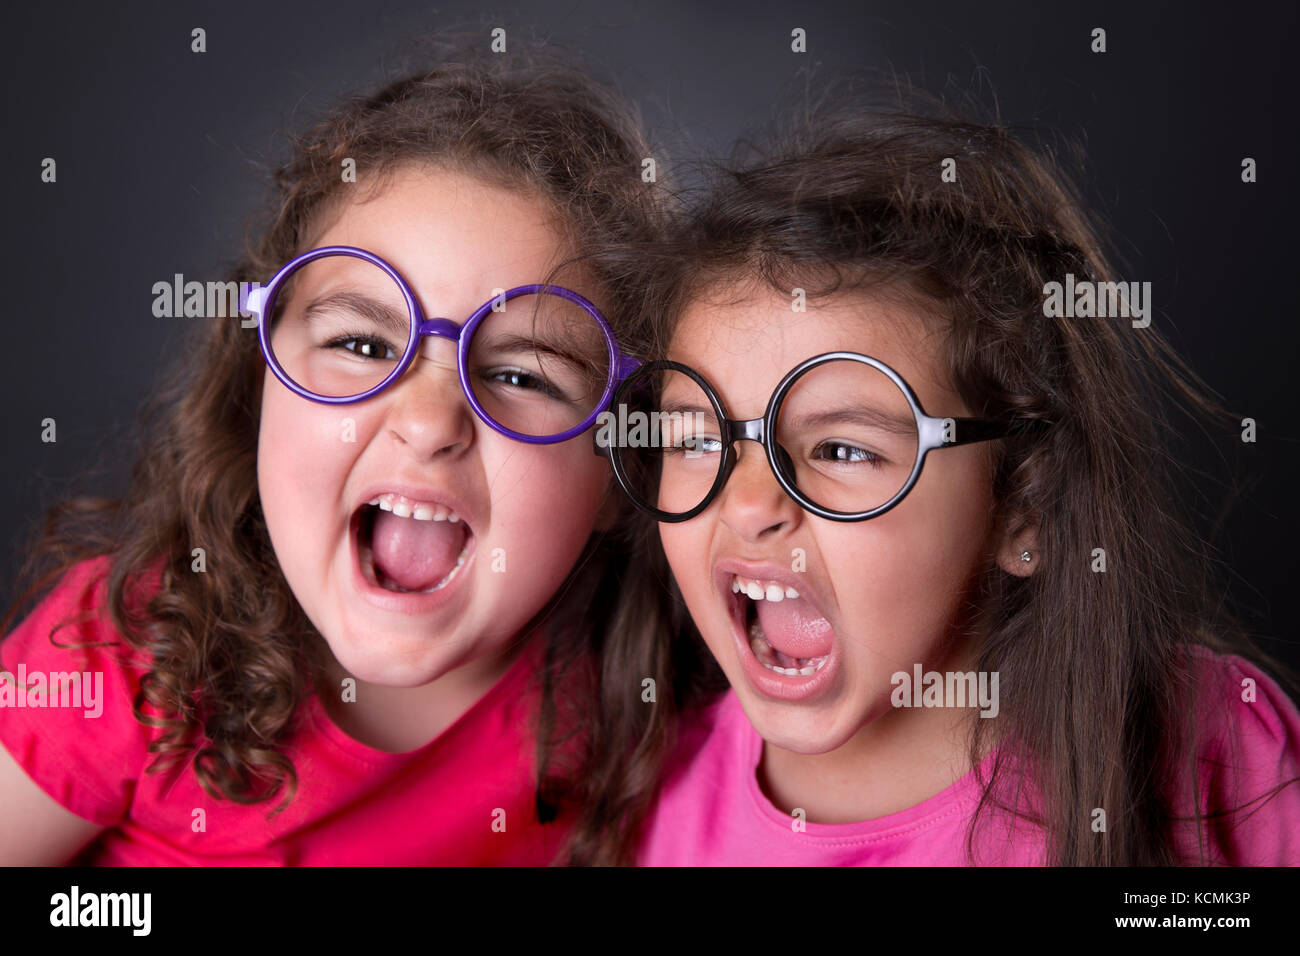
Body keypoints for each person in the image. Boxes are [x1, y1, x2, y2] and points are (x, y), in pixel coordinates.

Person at [0, 43, 666, 865]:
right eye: (359, 340)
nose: (429, 421)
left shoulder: (642, 709)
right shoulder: (121, 655)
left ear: (618, 468)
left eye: (521, 373)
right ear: (261, 380)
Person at [601, 96, 1300, 865]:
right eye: (697, 437)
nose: (749, 504)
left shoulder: (1212, 752)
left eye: (841, 450)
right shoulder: (645, 805)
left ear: (1023, 511)